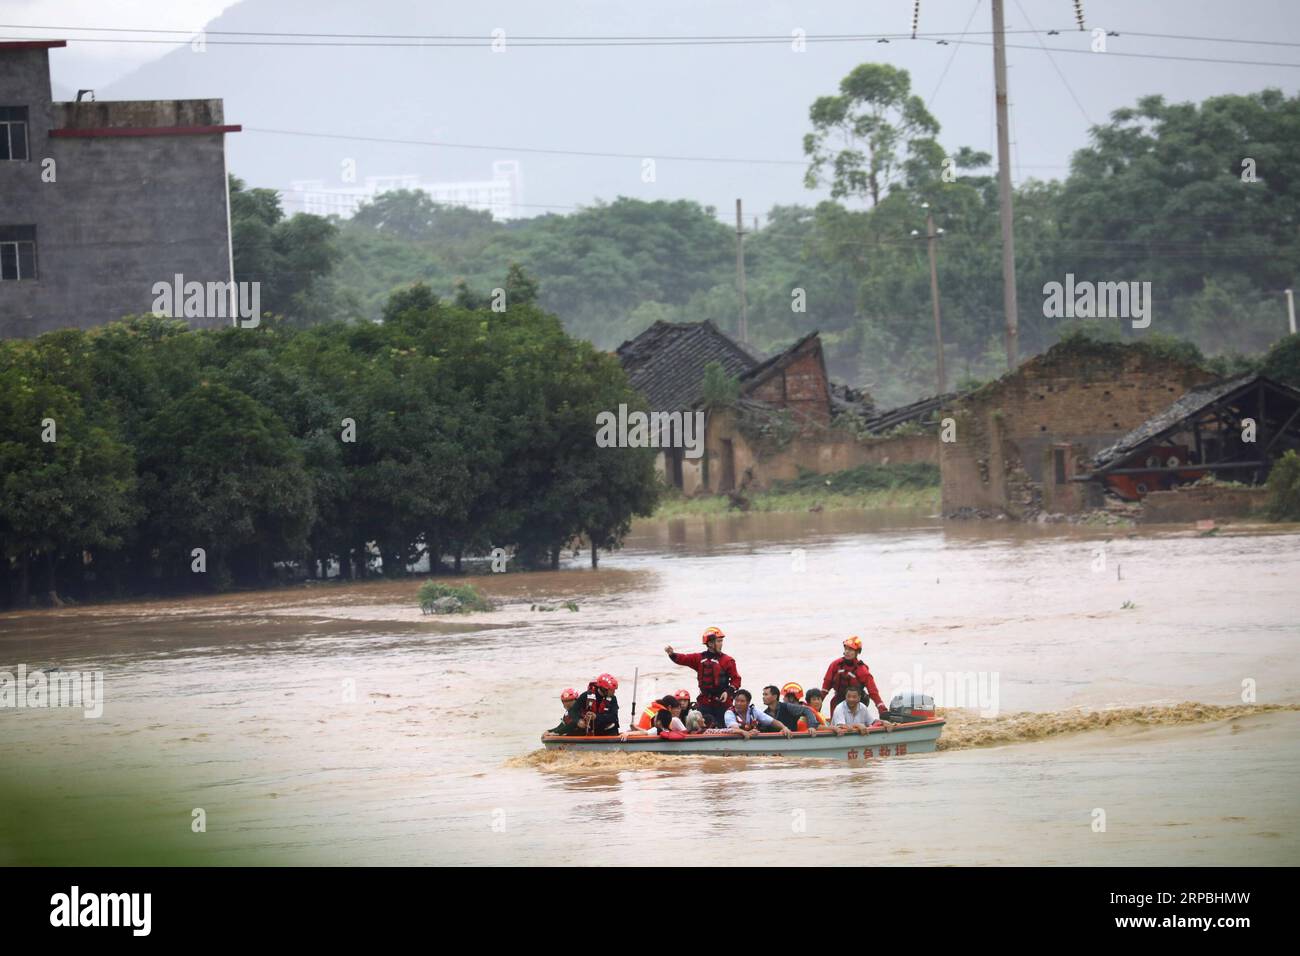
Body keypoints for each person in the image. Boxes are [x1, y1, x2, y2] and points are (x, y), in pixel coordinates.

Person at [665, 626, 741, 730]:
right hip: (705, 702)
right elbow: (684, 659)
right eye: (718, 641)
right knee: (702, 727)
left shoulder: (728, 661)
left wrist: (728, 692)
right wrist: (672, 654)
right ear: (710, 644)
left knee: (723, 727)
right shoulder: (699, 658)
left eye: (721, 641)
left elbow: (736, 680)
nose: (721, 644)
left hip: (722, 703)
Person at [822, 636, 887, 719]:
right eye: (846, 649)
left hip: (857, 702)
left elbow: (873, 692)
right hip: (838, 699)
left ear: (857, 652)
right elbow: (825, 688)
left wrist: (882, 710)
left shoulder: (862, 670)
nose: (847, 652)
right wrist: (813, 708)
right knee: (835, 714)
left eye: (851, 650)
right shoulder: (835, 665)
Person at [724, 689, 793, 739]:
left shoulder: (753, 710)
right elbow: (734, 729)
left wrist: (784, 727)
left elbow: (772, 721)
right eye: (737, 701)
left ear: (748, 703)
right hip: (736, 739)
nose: (738, 703)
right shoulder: (729, 713)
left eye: (742, 701)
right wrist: (746, 732)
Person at [830, 684, 894, 736]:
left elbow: (872, 722)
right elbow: (840, 726)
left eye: (854, 697)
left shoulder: (863, 707)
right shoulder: (839, 708)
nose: (851, 699)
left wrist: (883, 722)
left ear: (859, 698)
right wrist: (857, 725)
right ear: (845, 697)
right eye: (848, 696)